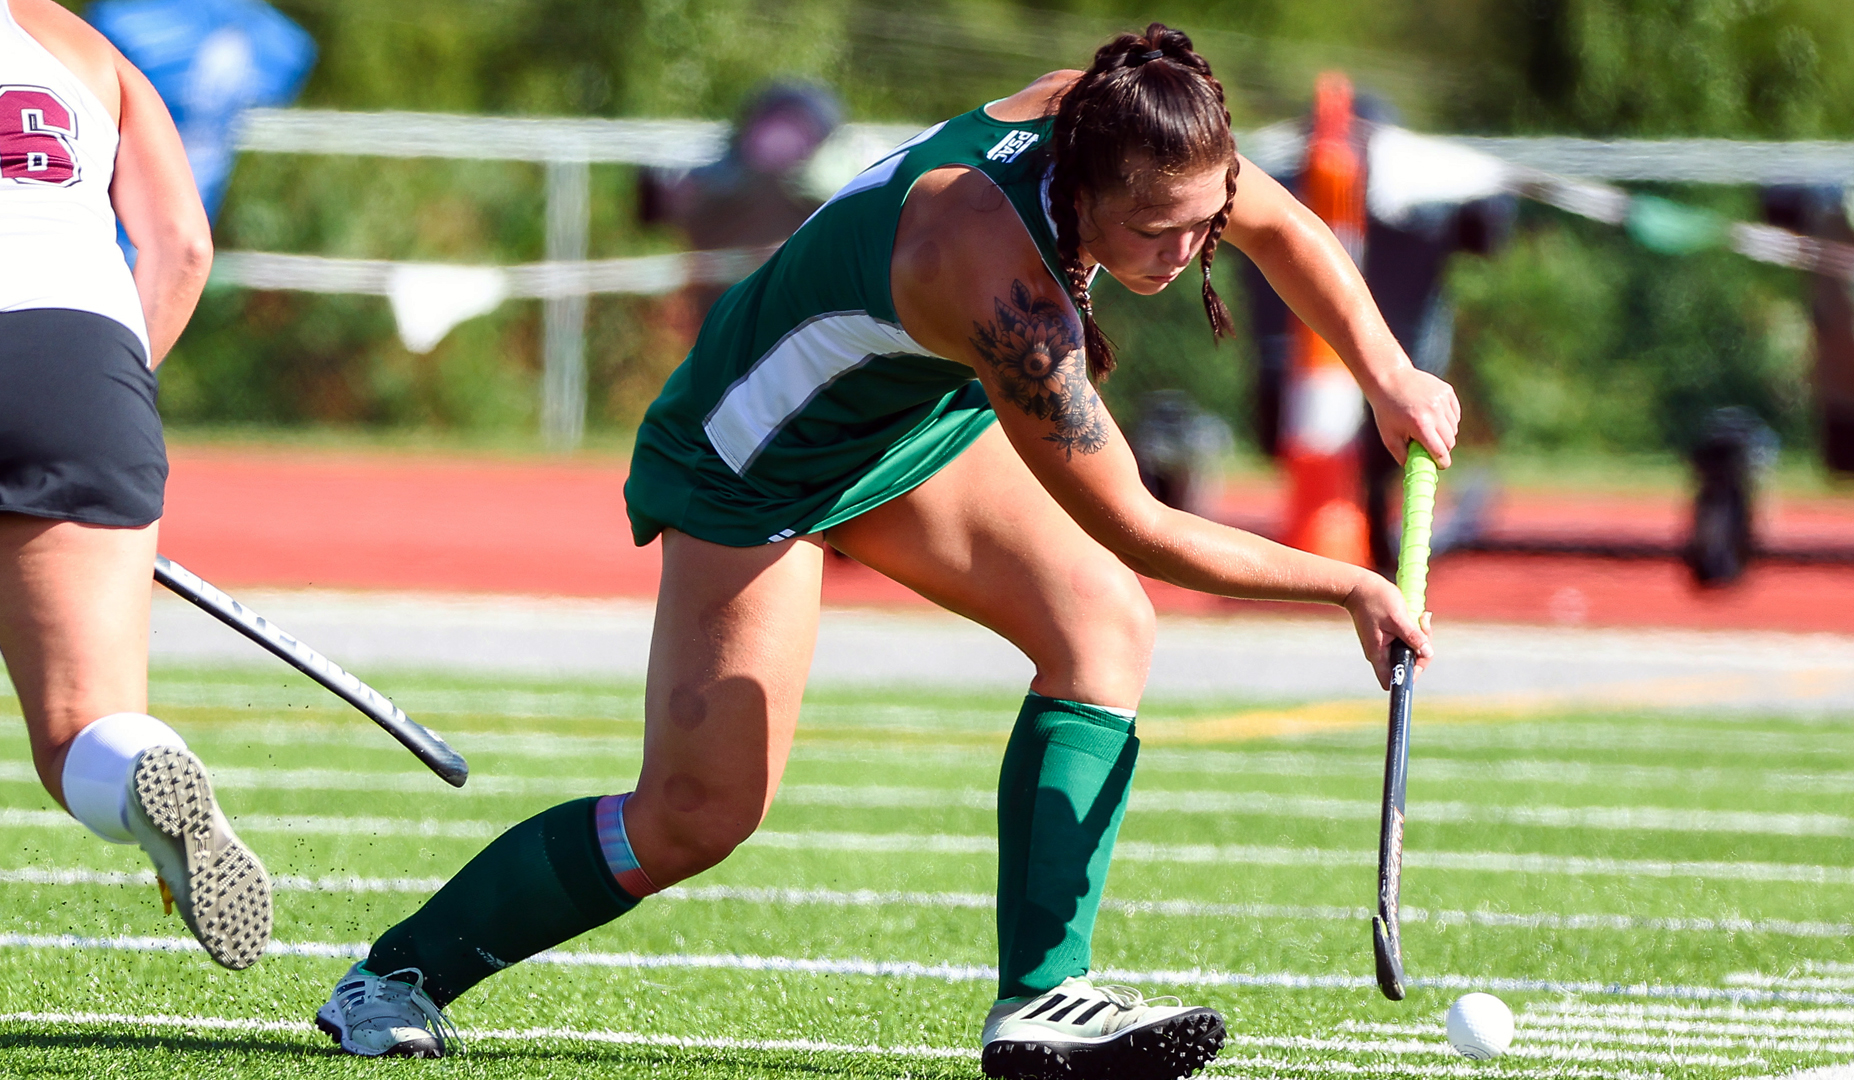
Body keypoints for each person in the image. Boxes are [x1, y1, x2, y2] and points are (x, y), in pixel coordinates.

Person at [316, 24, 1456, 1078]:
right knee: (695, 817)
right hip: (755, 459)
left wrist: (1387, 373)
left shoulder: (1130, 129)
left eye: (1198, 222)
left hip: (898, 421)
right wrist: (1347, 584)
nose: (1185, 250)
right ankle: (399, 976)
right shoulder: (998, 275)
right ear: (1085, 183)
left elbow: (1277, 221)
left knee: (1099, 624)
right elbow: (1137, 523)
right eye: (1155, 232)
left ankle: (1043, 999)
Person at [0, 0, 268, 969]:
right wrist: (105, 405)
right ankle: (139, 773)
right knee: (82, 726)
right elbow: (182, 245)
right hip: (81, 351)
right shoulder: (79, 43)